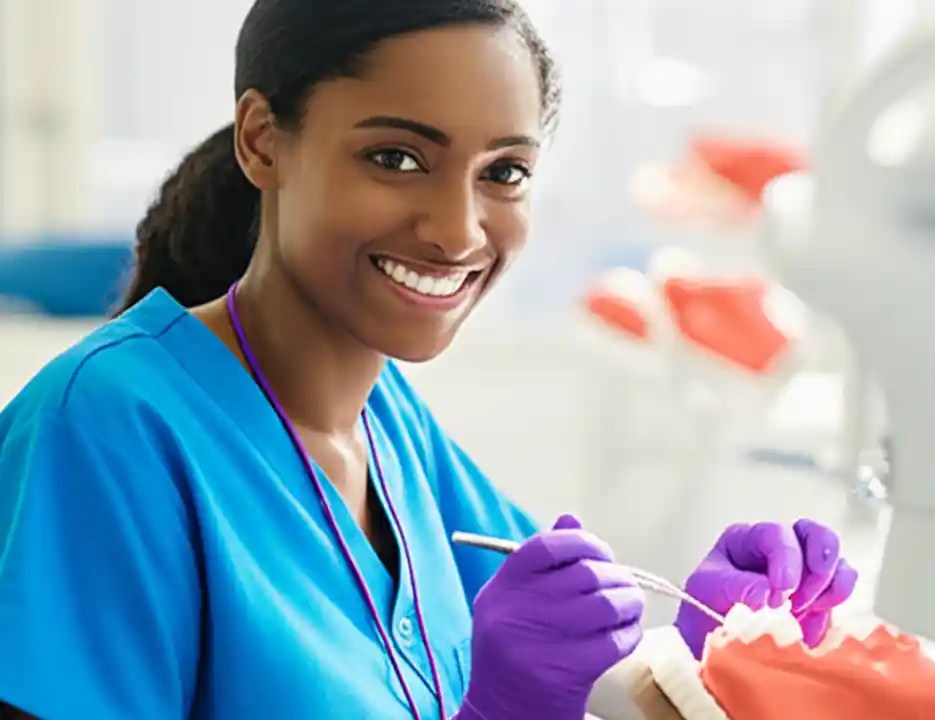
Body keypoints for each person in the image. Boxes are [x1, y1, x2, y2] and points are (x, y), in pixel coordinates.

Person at [0, 1, 858, 718]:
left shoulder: (392, 427)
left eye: (505, 172)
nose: (458, 230)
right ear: (264, 141)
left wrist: (717, 649)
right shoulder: (104, 432)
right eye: (396, 158)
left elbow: (602, 682)